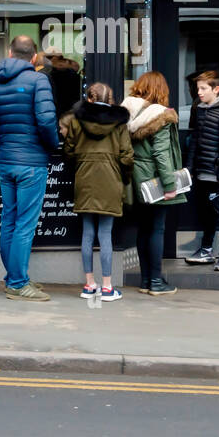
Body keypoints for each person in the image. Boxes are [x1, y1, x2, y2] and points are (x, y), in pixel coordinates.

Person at [0, 34, 60, 302]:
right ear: (35, 57)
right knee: (25, 225)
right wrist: (51, 146)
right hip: (31, 163)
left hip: (5, 161)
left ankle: (15, 277)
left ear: (10, 53)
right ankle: (17, 283)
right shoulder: (39, 80)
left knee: (9, 222)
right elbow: (47, 121)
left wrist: (6, 142)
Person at [63, 81, 133, 301]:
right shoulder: (119, 123)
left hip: (85, 180)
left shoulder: (76, 121)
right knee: (105, 234)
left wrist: (81, 166)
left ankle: (88, 285)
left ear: (90, 98)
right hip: (110, 181)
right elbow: (127, 156)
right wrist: (125, 178)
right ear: (110, 98)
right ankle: (107, 287)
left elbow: (69, 151)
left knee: (87, 234)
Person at [121, 71, 185, 295]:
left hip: (134, 178)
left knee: (143, 230)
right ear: (161, 90)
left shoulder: (126, 109)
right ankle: (156, 282)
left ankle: (146, 280)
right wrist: (169, 186)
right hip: (153, 179)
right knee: (156, 229)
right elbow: (161, 154)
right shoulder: (161, 115)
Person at [183, 69, 219, 270]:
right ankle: (206, 250)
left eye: (203, 88)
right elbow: (195, 140)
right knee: (207, 213)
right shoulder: (200, 109)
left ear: (216, 89)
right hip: (201, 170)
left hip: (215, 173)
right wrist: (189, 167)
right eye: (198, 88)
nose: (199, 92)